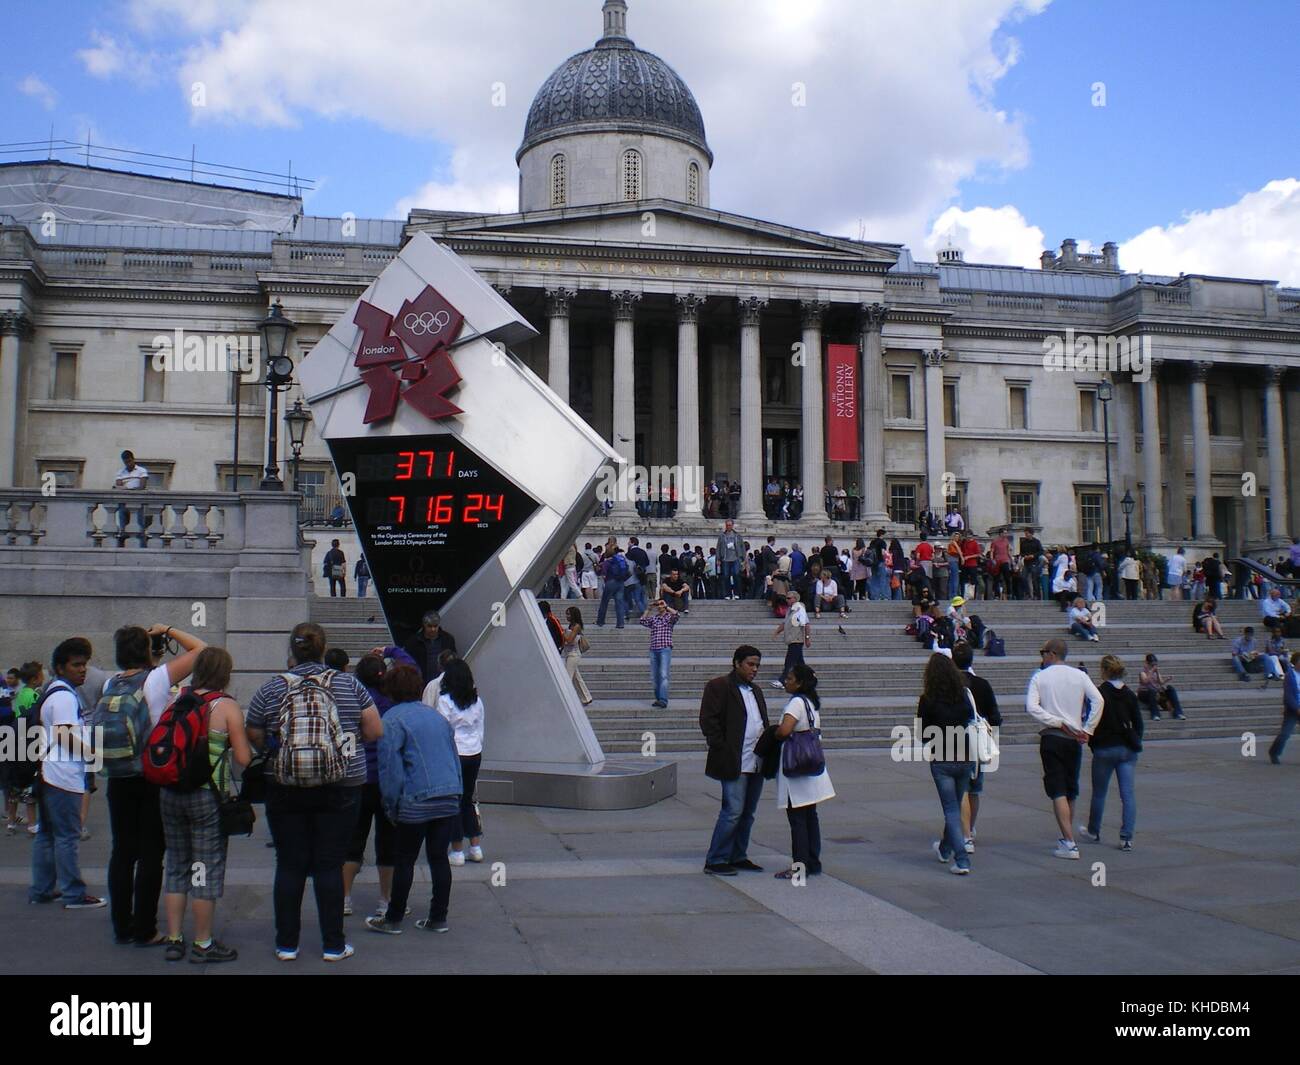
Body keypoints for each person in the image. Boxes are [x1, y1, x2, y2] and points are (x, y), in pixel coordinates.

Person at [245, 622, 382, 962]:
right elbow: (374, 730)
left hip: (285, 786)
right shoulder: (350, 685)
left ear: (292, 652)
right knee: (329, 864)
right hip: (342, 785)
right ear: (324, 649)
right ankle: (333, 944)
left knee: (289, 865)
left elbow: (254, 731)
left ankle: (286, 944)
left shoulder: (271, 688)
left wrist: (281, 749)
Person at [99, 622, 205, 947]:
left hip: (118, 777)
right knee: (150, 854)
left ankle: (122, 925)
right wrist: (169, 629)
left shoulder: (110, 683)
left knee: (122, 852)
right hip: (149, 777)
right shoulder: (155, 679)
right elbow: (202, 651)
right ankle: (146, 928)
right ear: (147, 651)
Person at [157, 647, 252, 962]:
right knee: (203, 868)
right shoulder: (225, 706)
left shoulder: (176, 701)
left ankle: (173, 939)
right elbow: (243, 758)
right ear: (224, 673)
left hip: (170, 793)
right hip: (206, 796)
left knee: (177, 865)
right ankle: (203, 943)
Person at [368, 664, 462, 935]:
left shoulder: (392, 719)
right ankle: (438, 917)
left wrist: (390, 804)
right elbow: (453, 757)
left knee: (405, 859)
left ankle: (394, 917)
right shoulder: (437, 718)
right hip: (447, 794)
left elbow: (390, 769)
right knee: (439, 859)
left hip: (415, 798)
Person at [29, 637, 106, 909]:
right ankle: (74, 894)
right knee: (66, 837)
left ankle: (41, 889)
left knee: (47, 835)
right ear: (60, 668)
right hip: (63, 776)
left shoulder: (56, 691)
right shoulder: (63, 696)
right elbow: (63, 735)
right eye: (76, 665)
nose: (82, 669)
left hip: (50, 773)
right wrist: (93, 754)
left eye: (84, 664)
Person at [344, 650, 409, 921]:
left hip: (358, 778)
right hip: (386, 780)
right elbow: (411, 666)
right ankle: (387, 900)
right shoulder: (391, 704)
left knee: (352, 842)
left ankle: (343, 898)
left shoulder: (353, 700)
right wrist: (392, 651)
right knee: (388, 844)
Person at [1026, 638, 1104, 860]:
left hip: (1053, 735)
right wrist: (1088, 729)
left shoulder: (1040, 677)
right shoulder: (1079, 675)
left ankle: (1069, 841)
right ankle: (1066, 835)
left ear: (1051, 654)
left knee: (1057, 789)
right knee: (1070, 788)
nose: (1042, 657)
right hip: (1074, 739)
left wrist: (1056, 721)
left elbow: (1031, 707)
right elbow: (1098, 700)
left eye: (1043, 652)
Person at [700, 646, 769, 876]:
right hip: (734, 760)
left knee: (748, 812)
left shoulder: (756, 691)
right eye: (750, 664)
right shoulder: (719, 686)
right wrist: (720, 745)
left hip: (756, 761)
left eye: (757, 665)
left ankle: (738, 855)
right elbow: (708, 721)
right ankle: (716, 859)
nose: (755, 669)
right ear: (737, 663)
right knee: (732, 811)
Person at [773, 663, 834, 879]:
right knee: (810, 817)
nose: (786, 681)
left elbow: (785, 730)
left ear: (799, 682)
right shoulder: (811, 702)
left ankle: (799, 866)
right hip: (811, 768)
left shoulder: (796, 703)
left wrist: (776, 733)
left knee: (797, 820)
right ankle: (812, 861)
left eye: (789, 678)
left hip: (796, 768)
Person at [918, 653, 975, 875]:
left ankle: (962, 859)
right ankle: (945, 848)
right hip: (964, 755)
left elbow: (923, 734)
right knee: (955, 803)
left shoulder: (927, 699)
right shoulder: (962, 695)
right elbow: (971, 718)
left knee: (951, 809)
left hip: (942, 757)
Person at [1080, 655, 1142, 851]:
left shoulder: (1099, 694)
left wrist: (1093, 743)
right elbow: (1139, 724)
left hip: (1104, 748)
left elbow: (1092, 721)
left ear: (1103, 671)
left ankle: (1094, 830)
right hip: (1126, 748)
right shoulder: (1130, 695)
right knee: (1128, 795)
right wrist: (1135, 741)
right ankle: (1126, 837)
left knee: (1099, 793)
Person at [433, 659, 485, 867]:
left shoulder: (445, 700)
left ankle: (456, 850)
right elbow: (481, 727)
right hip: (474, 752)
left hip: (454, 752)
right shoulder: (477, 700)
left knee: (454, 800)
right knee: (468, 800)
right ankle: (475, 846)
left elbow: (442, 729)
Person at [953, 642, 1000, 854]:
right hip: (977, 742)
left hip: (954, 743)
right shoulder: (982, 684)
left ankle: (965, 835)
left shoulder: (950, 685)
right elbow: (995, 717)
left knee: (961, 789)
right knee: (974, 789)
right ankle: (970, 829)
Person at [640, 598, 679, 709]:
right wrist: (649, 608)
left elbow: (677, 615)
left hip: (665, 649)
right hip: (654, 649)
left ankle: (663, 699)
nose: (659, 606)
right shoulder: (654, 619)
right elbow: (642, 621)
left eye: (661, 604)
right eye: (659, 605)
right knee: (655, 676)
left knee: (663, 674)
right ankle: (658, 698)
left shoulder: (669, 618)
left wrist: (666, 606)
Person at [402, 611, 459, 685]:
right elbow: (408, 662)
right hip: (421, 682)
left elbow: (454, 661)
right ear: (424, 625)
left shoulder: (448, 639)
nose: (433, 629)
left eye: (435, 626)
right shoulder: (413, 642)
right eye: (430, 626)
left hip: (444, 681)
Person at [772, 591, 810, 690]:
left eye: (789, 598)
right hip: (791, 639)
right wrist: (777, 632)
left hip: (796, 640)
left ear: (795, 599)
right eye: (786, 598)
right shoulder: (789, 610)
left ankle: (782, 681)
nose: (787, 600)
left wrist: (807, 638)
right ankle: (810, 676)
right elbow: (784, 623)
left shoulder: (800, 609)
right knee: (800, 662)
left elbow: (806, 624)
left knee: (789, 662)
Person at [1268, 652, 1300, 763]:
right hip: (1292, 710)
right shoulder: (1289, 676)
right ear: (1296, 663)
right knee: (1285, 734)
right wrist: (1297, 708)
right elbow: (1288, 695)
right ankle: (1274, 752)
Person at [562, 606, 593, 706]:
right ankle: (586, 697)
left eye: (568, 614)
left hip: (574, 654)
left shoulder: (576, 626)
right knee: (576, 678)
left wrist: (562, 633)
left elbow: (570, 640)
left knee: (568, 677)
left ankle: (566, 699)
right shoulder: (571, 626)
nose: (567, 616)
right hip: (569, 653)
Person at [1138, 654, 1184, 720]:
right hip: (1144, 692)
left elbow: (1160, 682)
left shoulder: (1156, 673)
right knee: (1152, 691)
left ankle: (1179, 713)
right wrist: (1151, 671)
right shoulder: (1143, 673)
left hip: (1155, 691)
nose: (1153, 666)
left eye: (1154, 664)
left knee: (1170, 688)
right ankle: (1155, 714)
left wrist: (1166, 679)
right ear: (1147, 664)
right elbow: (1145, 681)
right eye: (1151, 664)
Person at [595, 544, 630, 628]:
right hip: (620, 583)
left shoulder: (607, 562)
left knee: (604, 602)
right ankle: (620, 623)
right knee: (619, 603)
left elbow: (603, 574)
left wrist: (598, 569)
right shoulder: (621, 560)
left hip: (610, 582)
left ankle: (600, 621)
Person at [717, 520, 743, 600]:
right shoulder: (722, 536)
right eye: (727, 525)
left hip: (735, 558)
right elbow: (718, 547)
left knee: (736, 575)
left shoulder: (737, 535)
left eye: (730, 525)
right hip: (725, 559)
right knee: (726, 576)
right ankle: (727, 594)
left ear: (732, 525)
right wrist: (718, 558)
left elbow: (742, 547)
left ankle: (736, 593)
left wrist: (743, 558)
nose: (728, 527)